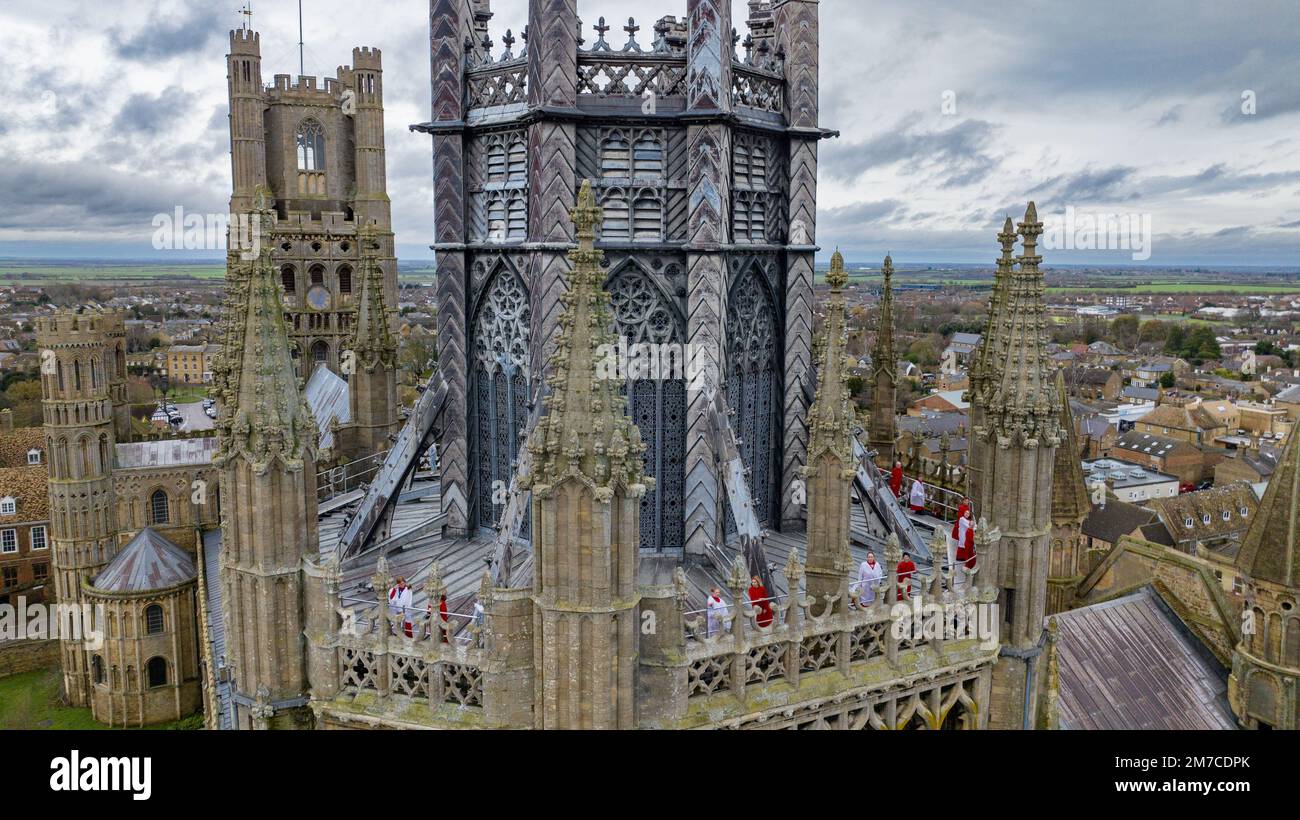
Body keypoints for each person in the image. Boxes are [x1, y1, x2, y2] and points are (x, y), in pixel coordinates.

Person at [955, 511, 977, 589]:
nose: (967, 515)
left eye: (968, 514)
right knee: (966, 552)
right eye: (966, 513)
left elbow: (972, 526)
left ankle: (967, 563)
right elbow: (970, 526)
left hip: (967, 541)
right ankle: (967, 564)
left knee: (967, 553)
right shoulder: (962, 519)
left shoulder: (969, 524)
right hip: (964, 538)